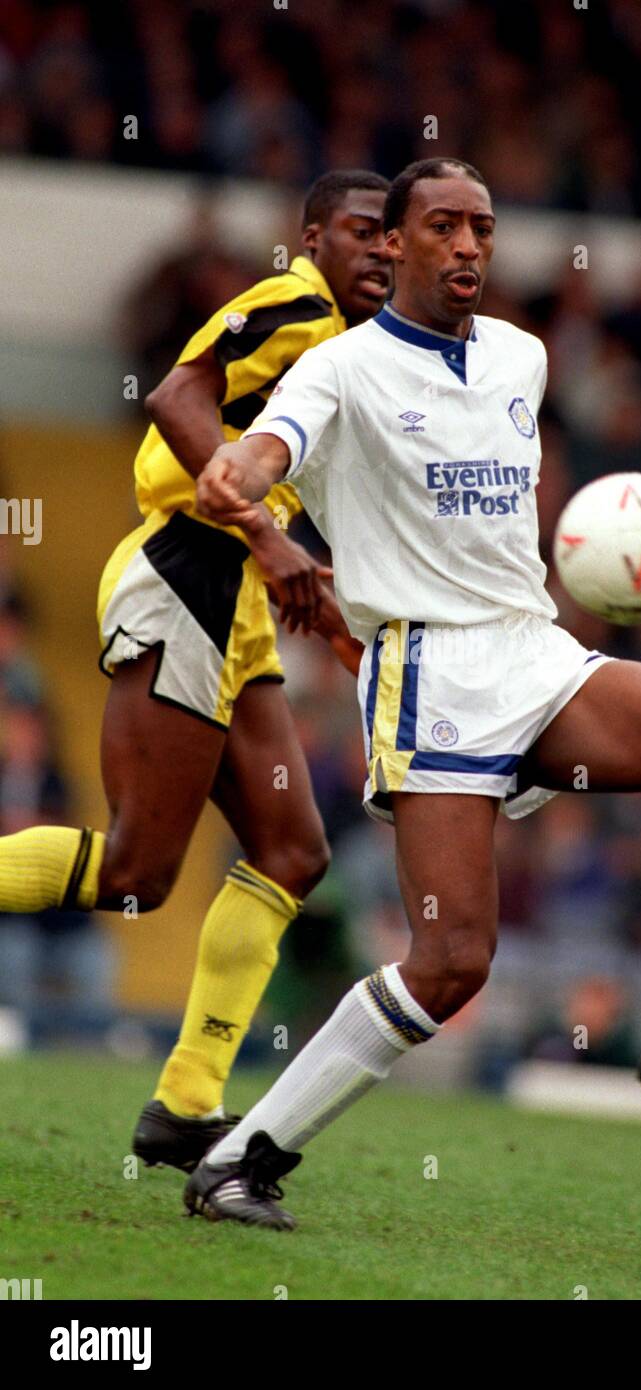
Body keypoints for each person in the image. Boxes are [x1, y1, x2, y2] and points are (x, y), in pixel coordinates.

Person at [186, 157, 641, 1231]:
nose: (468, 245)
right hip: (429, 672)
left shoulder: (522, 354)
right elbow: (270, 441)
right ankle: (240, 1159)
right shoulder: (342, 369)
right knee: (454, 959)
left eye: (482, 226)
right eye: (442, 227)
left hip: (534, 651)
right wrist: (242, 470)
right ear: (398, 244)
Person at [0, 170, 388, 1172]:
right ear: (312, 238)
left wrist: (326, 605)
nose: (384, 251)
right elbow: (179, 396)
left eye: (396, 238)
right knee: (137, 872)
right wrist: (263, 533)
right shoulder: (295, 302)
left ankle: (185, 1106)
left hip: (236, 606)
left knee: (293, 851)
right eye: (362, 232)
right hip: (186, 571)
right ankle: (184, 1102)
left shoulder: (350, 358)